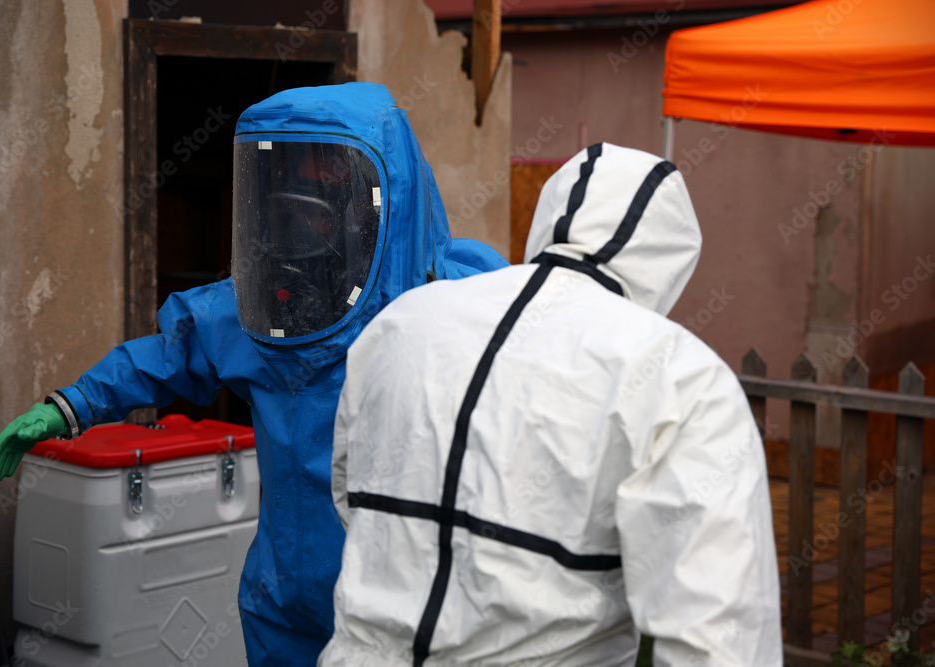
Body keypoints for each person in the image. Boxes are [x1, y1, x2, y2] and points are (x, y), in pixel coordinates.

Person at [0, 82, 509, 666]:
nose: (304, 214)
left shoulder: (455, 297)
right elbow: (169, 355)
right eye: (290, 190)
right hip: (283, 596)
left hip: (399, 604)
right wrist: (71, 404)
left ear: (383, 195)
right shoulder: (265, 310)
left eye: (326, 187)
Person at [320, 143, 782, 666]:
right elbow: (718, 636)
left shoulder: (404, 322)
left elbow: (351, 499)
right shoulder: (681, 375)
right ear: (672, 258)